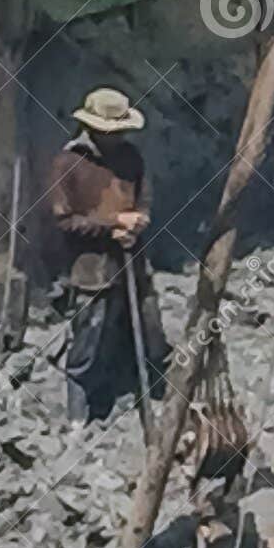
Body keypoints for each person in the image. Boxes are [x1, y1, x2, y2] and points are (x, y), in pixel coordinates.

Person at [47, 88, 168, 421]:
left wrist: (137, 223)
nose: (117, 138)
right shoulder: (68, 164)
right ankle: (78, 412)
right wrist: (112, 225)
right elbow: (65, 221)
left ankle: (146, 393)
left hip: (132, 260)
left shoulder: (131, 158)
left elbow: (143, 200)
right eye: (110, 132)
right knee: (89, 337)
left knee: (147, 328)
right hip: (91, 269)